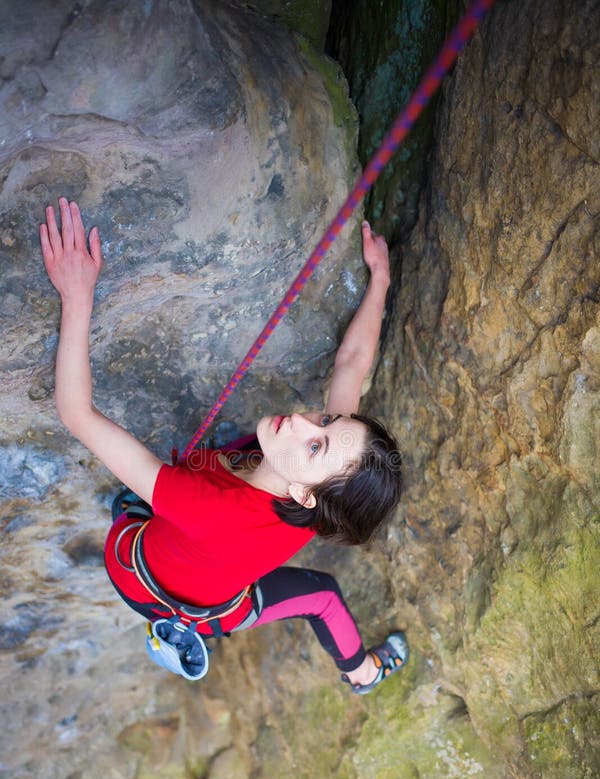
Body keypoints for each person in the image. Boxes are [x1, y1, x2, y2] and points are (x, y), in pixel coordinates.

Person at [40, 197, 408, 693]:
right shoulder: (322, 497)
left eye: (316, 446)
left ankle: (363, 673)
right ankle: (359, 671)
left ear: (305, 496)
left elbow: (76, 414)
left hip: (140, 573)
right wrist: (380, 279)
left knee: (131, 501)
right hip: (213, 592)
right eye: (325, 420)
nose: (301, 421)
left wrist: (77, 295)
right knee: (321, 593)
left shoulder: (205, 506)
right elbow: (352, 364)